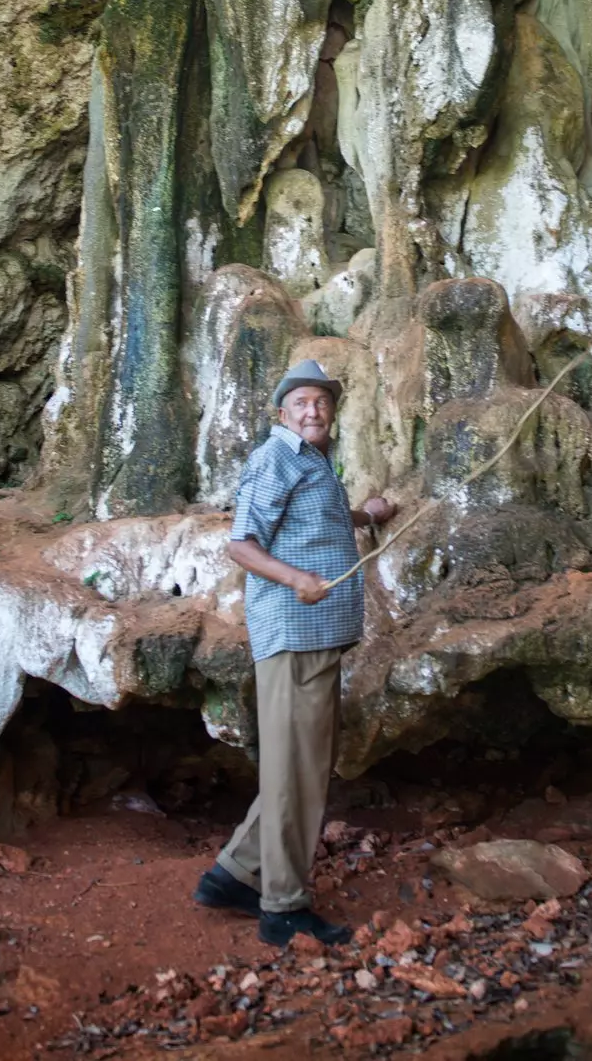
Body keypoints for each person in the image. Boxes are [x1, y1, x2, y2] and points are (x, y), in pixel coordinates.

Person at [194, 359, 397, 947]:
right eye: (302, 402)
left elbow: (323, 520)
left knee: (298, 765)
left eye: (322, 403)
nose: (313, 411)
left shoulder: (311, 463)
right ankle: (282, 906)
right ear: (282, 412)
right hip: (294, 630)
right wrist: (294, 580)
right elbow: (242, 544)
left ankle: (233, 874)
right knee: (297, 771)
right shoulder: (275, 456)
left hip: (317, 636)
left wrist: (369, 515)